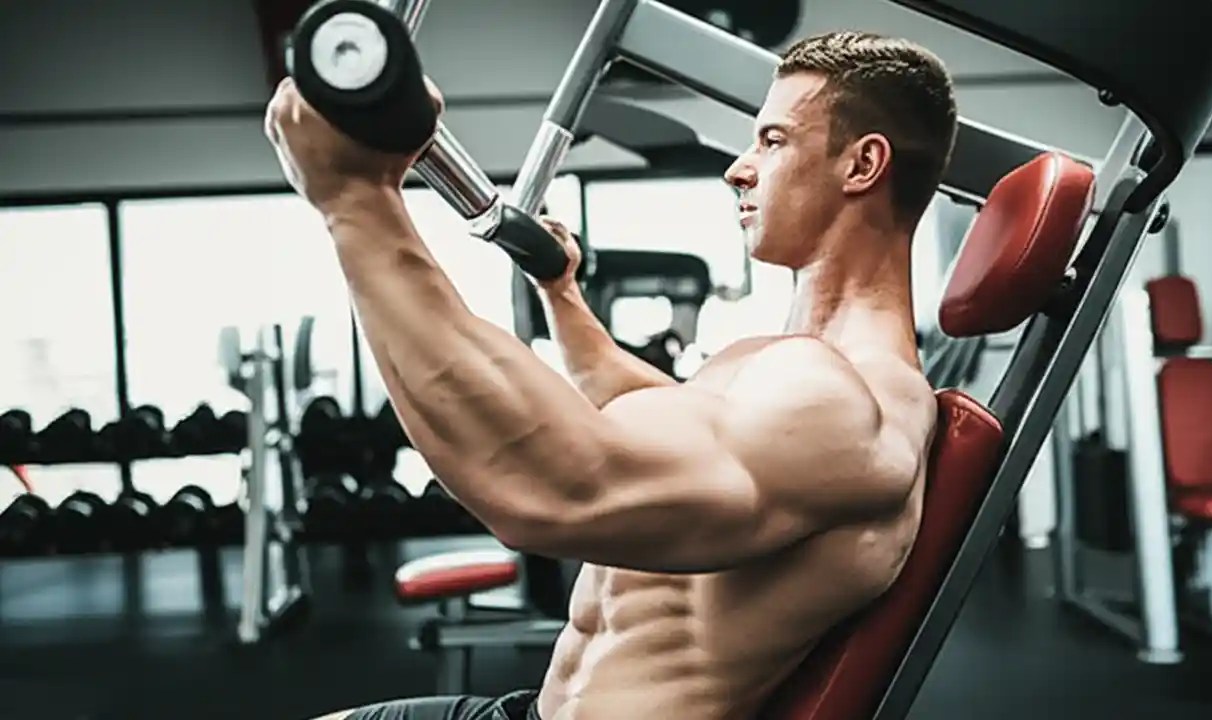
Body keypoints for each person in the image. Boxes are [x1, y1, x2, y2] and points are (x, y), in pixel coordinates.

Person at [266, 28, 957, 720]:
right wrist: (561, 293)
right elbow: (645, 409)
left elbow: (556, 487)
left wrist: (355, 202)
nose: (739, 169)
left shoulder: (848, 404)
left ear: (862, 164)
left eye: (772, 141)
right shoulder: (794, 368)